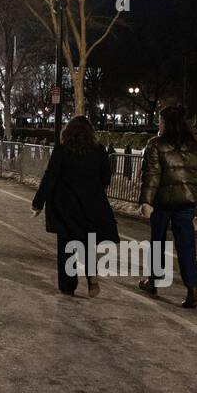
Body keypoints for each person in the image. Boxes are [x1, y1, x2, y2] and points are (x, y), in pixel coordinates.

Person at [31, 116, 119, 297]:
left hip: (66, 206)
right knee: (88, 244)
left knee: (67, 246)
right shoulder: (99, 150)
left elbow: (50, 177)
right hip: (91, 205)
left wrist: (38, 203)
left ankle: (68, 285)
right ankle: (92, 276)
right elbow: (106, 177)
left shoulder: (62, 150)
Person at [137, 105, 197, 307]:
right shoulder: (194, 145)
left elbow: (152, 176)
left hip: (163, 201)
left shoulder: (156, 144)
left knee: (157, 241)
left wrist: (146, 201)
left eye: (161, 120)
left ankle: (154, 279)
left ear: (165, 123)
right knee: (186, 245)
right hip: (186, 200)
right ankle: (192, 288)